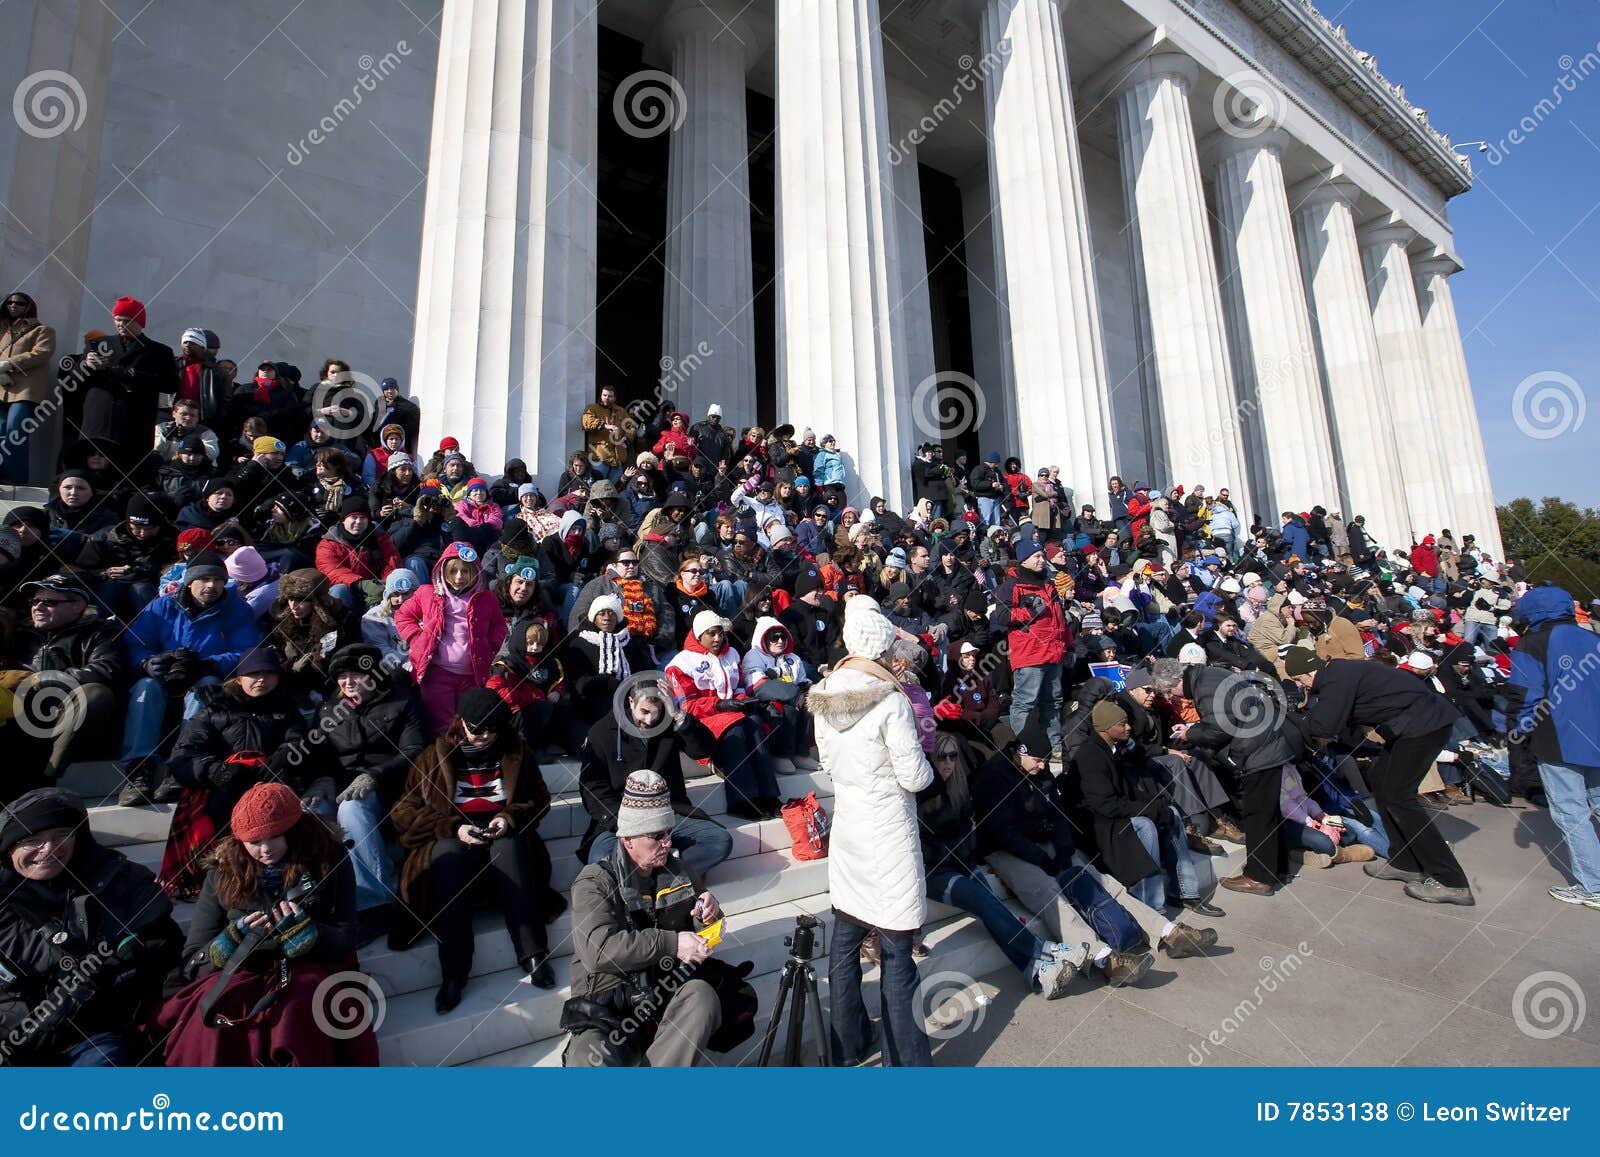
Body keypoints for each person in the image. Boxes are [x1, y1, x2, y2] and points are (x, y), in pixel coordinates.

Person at [155, 782, 377, 1065]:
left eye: (273, 837)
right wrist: (226, 944)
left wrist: (313, 936)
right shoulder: (222, 872)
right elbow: (193, 955)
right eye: (253, 842)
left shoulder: (329, 859)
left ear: (293, 829)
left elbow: (347, 937)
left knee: (296, 1013)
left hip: (307, 966)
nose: (264, 849)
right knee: (217, 1011)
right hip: (242, 967)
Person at [808, 595, 934, 1066]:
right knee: (898, 955)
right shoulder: (891, 701)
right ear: (881, 647)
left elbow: (824, 762)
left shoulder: (823, 697)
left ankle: (848, 1045)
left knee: (844, 946)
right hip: (887, 835)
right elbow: (915, 777)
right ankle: (906, 1066)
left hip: (850, 831)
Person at [392, 689, 561, 1013]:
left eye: (491, 730)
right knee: (448, 859)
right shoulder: (434, 755)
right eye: (476, 730)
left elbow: (539, 801)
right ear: (462, 723)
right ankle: (454, 973)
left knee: (510, 850)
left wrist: (508, 818)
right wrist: (453, 827)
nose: (483, 737)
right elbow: (403, 812)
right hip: (452, 835)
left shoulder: (516, 752)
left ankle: (533, 954)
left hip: (501, 835)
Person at [0, 788, 183, 1065]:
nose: (48, 850)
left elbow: (166, 952)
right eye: (32, 840)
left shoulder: (124, 881)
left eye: (61, 835)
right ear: (9, 848)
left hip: (93, 1034)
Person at [564, 770, 732, 1067]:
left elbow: (707, 933)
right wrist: (671, 943)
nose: (668, 842)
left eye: (669, 832)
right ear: (628, 839)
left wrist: (710, 915)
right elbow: (598, 951)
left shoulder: (679, 870)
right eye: (657, 835)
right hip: (606, 1007)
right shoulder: (594, 882)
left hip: (661, 995)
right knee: (587, 1061)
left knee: (702, 996)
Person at [1286, 649, 1473, 905]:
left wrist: (1289, 721)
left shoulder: (1335, 679)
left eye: (1299, 679)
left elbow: (1323, 726)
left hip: (1423, 727)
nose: (1300, 685)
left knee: (1399, 798)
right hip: (1415, 725)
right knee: (1381, 781)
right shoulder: (1339, 672)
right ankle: (1405, 862)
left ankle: (1452, 881)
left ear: (1309, 671)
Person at [919, 733, 1083, 999]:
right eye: (941, 757)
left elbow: (965, 834)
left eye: (953, 756)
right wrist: (957, 853)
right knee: (981, 900)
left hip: (962, 863)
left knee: (988, 898)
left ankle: (1034, 970)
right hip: (933, 871)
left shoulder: (959, 790)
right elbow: (924, 847)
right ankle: (1041, 952)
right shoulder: (920, 795)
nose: (948, 763)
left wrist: (967, 858)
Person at [161, 647, 311, 900]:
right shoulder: (215, 709)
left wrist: (275, 762)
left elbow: (298, 744)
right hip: (222, 783)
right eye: (253, 673)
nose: (261, 679)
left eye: (268, 673)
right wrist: (215, 769)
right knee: (218, 807)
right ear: (239, 678)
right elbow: (184, 753)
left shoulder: (288, 709)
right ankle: (217, 876)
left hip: (270, 783)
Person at [119, 552, 263, 806]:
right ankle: (139, 768)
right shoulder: (162, 606)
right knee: (145, 687)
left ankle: (181, 767)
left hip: (206, 675)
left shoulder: (236, 609)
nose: (212, 586)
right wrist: (147, 662)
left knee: (205, 689)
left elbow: (246, 651)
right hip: (164, 676)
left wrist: (209, 663)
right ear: (189, 582)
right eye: (204, 579)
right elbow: (134, 643)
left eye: (218, 580)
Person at [577, 680, 734, 874]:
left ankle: (660, 877)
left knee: (719, 840)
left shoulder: (669, 723)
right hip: (621, 820)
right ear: (631, 702)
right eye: (644, 711)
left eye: (656, 712)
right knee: (601, 861)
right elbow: (592, 788)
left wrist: (678, 714)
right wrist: (624, 823)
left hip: (669, 815)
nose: (650, 720)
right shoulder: (601, 732)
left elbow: (703, 749)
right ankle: (663, 873)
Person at [1507, 585, 1600, 909]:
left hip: (1559, 739)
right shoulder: (1592, 637)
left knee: (1572, 812)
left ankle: (1593, 885)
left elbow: (1524, 697)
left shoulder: (1531, 643)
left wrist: (1517, 739)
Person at [5, 573, 126, 796]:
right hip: (23, 715)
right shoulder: (19, 632)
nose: (38, 607)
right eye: (34, 601)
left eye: (49, 602)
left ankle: (45, 779)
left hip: (73, 719)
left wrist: (42, 679)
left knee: (95, 693)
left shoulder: (102, 632)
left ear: (77, 605)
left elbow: (106, 670)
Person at [664, 610, 782, 821]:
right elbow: (686, 705)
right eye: (711, 634)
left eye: (720, 632)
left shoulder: (731, 654)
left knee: (755, 723)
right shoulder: (681, 663)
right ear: (700, 636)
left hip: (731, 712)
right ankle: (741, 800)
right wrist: (720, 704)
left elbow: (736, 686)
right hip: (702, 719)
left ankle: (769, 795)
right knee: (736, 729)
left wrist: (744, 700)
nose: (717, 638)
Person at [394, 541, 507, 735]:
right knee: (441, 723)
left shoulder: (486, 598)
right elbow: (403, 615)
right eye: (453, 571)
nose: (459, 577)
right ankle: (444, 760)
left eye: (465, 571)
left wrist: (491, 646)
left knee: (468, 722)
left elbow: (499, 624)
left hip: (472, 673)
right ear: (443, 570)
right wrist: (416, 638)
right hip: (438, 672)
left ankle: (467, 758)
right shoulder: (427, 593)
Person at [995, 536, 1071, 753]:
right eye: (1036, 556)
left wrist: (1069, 646)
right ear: (1024, 560)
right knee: (1025, 704)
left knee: (1053, 703)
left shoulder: (1049, 584)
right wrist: (1029, 612)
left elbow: (1060, 619)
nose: (1041, 560)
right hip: (1030, 654)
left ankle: (1054, 748)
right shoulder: (1012, 585)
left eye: (1042, 556)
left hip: (1054, 653)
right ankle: (1025, 750)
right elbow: (1001, 615)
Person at [0, 291, 56, 484]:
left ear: (29, 306)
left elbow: (42, 353)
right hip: (2, 389)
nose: (13, 305)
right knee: (1, 433)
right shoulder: (3, 330)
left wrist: (8, 364)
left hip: (25, 391)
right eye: (9, 302)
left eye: (20, 303)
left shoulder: (42, 330)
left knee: (15, 433)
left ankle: (15, 481)